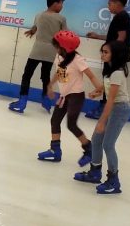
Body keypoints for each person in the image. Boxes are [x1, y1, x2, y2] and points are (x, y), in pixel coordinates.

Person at [37, 31, 103, 166]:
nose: (55, 48)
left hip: (76, 96)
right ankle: (55, 151)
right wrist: (50, 85)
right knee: (55, 120)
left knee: (71, 124)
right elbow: (60, 72)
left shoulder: (77, 60)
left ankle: (89, 149)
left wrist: (98, 88)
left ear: (63, 47)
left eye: (56, 46)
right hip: (64, 96)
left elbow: (91, 76)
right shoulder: (60, 56)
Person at [73, 40, 130, 194]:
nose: (102, 55)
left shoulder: (117, 72)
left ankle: (113, 181)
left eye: (106, 52)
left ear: (115, 54)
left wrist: (102, 121)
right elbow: (108, 91)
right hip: (112, 108)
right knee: (97, 140)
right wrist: (97, 91)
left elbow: (111, 99)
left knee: (108, 145)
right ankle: (94, 172)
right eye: (102, 51)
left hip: (119, 110)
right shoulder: (109, 70)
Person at [9, 0, 68, 113]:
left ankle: (22, 101)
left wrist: (31, 31)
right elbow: (65, 34)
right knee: (45, 75)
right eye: (61, 3)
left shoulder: (39, 15)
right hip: (51, 50)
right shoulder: (61, 18)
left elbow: (35, 28)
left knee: (27, 75)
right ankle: (45, 100)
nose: (62, 6)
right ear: (55, 3)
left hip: (37, 49)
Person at [85, 0, 130, 118]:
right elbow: (114, 37)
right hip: (115, 54)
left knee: (110, 80)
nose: (108, 6)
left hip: (116, 56)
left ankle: (105, 108)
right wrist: (97, 36)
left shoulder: (122, 16)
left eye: (110, 3)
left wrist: (111, 53)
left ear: (117, 3)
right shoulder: (120, 16)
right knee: (108, 79)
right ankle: (106, 107)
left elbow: (121, 38)